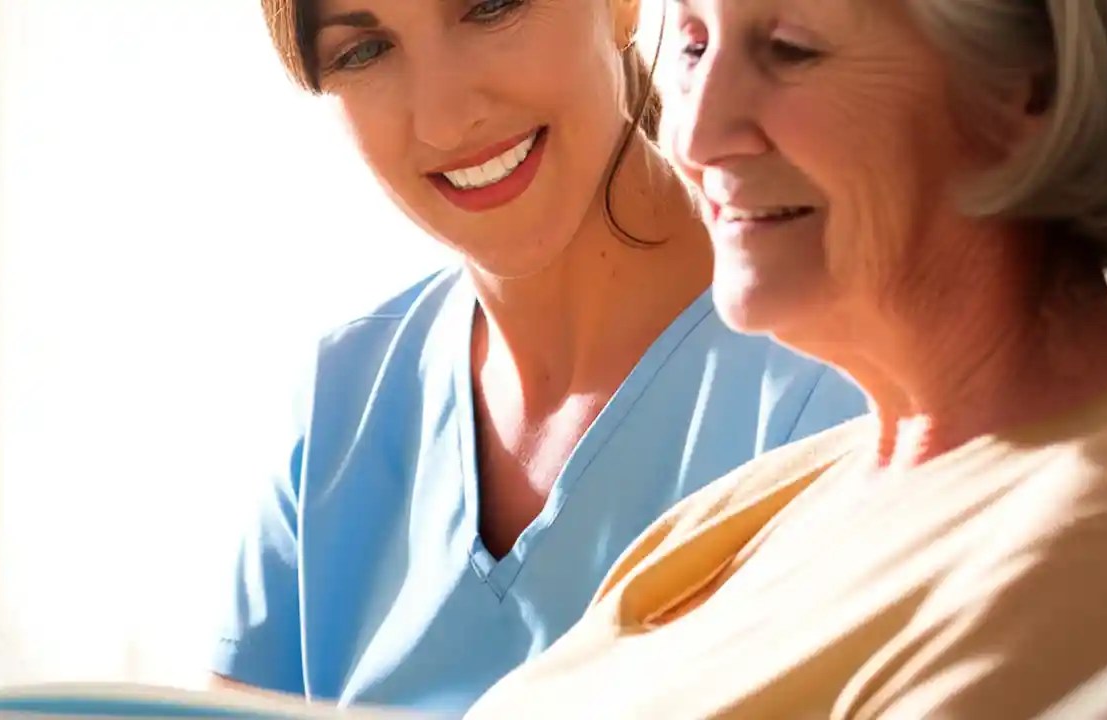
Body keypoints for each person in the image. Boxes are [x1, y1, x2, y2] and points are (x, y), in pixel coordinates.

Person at [469, 0, 1107, 717]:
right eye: (693, 46)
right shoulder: (771, 499)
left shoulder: (1085, 552)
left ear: (1027, 85)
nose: (695, 138)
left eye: (791, 50)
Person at [210, 0, 865, 712]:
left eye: (491, 7)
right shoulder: (340, 408)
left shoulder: (846, 386)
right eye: (364, 52)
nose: (445, 121)